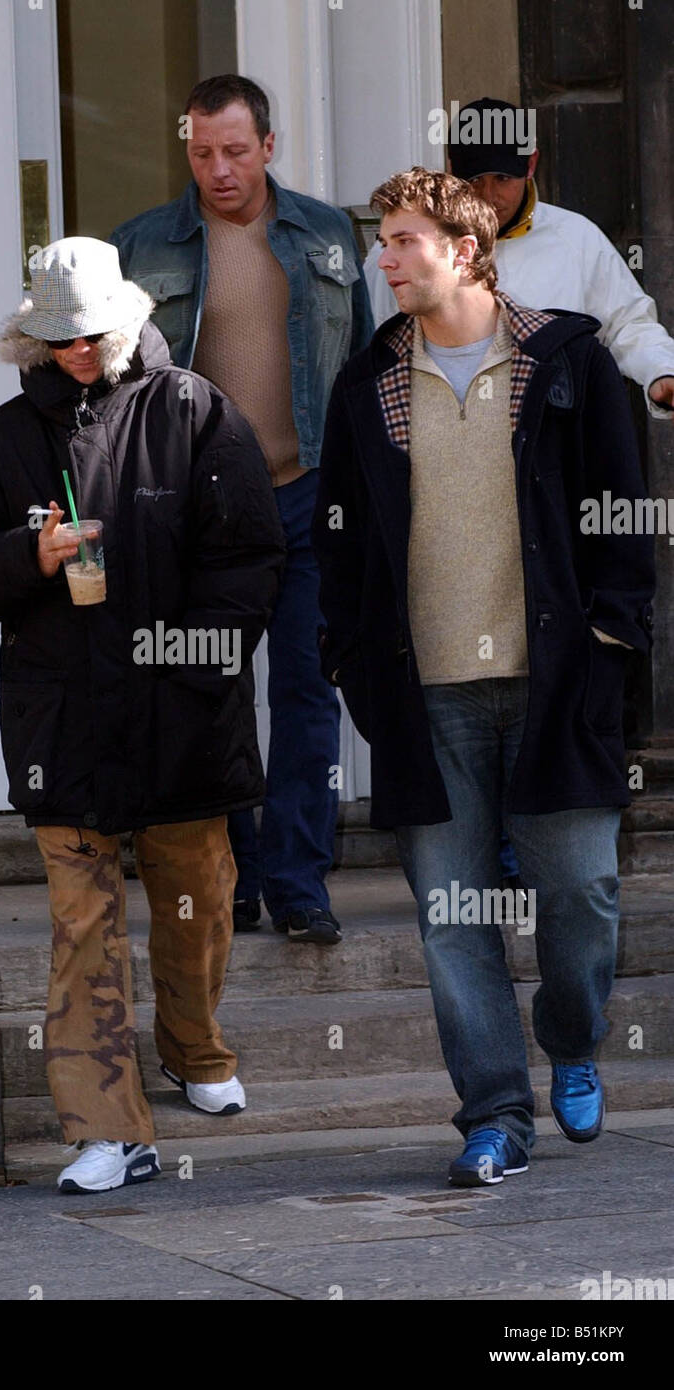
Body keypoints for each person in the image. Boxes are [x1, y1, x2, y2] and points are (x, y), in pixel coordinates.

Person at [0, 237, 285, 1194]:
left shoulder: (199, 412)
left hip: (183, 712)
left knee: (196, 901)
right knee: (84, 923)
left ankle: (195, 1050)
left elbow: (248, 559)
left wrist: (196, 668)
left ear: (130, 322)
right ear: (32, 340)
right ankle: (106, 1128)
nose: (79, 351)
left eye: (92, 334)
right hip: (64, 719)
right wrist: (30, 558)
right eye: (59, 337)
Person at [313, 168, 655, 1187]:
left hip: (556, 686)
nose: (382, 259)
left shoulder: (566, 358)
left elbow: (621, 518)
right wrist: (346, 656)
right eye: (381, 241)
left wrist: (608, 640)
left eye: (401, 241)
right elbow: (337, 543)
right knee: (449, 915)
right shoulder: (367, 381)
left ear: (463, 250)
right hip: (424, 701)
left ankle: (573, 1033)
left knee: (581, 895)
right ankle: (494, 1113)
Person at [110, 74, 373, 947]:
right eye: (200, 153)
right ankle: (240, 878)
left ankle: (301, 884)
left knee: (307, 694)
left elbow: (366, 370)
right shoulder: (142, 245)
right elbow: (112, 388)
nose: (218, 170)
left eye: (234, 150)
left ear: (268, 145)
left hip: (310, 498)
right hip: (203, 512)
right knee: (211, 694)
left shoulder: (328, 233)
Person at [363, 98, 674, 421]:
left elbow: (628, 324)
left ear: (530, 164)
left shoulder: (577, 238)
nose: (488, 196)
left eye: (502, 178)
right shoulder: (397, 253)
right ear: (452, 171)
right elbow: (373, 345)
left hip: (556, 439)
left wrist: (662, 371)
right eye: (475, 181)